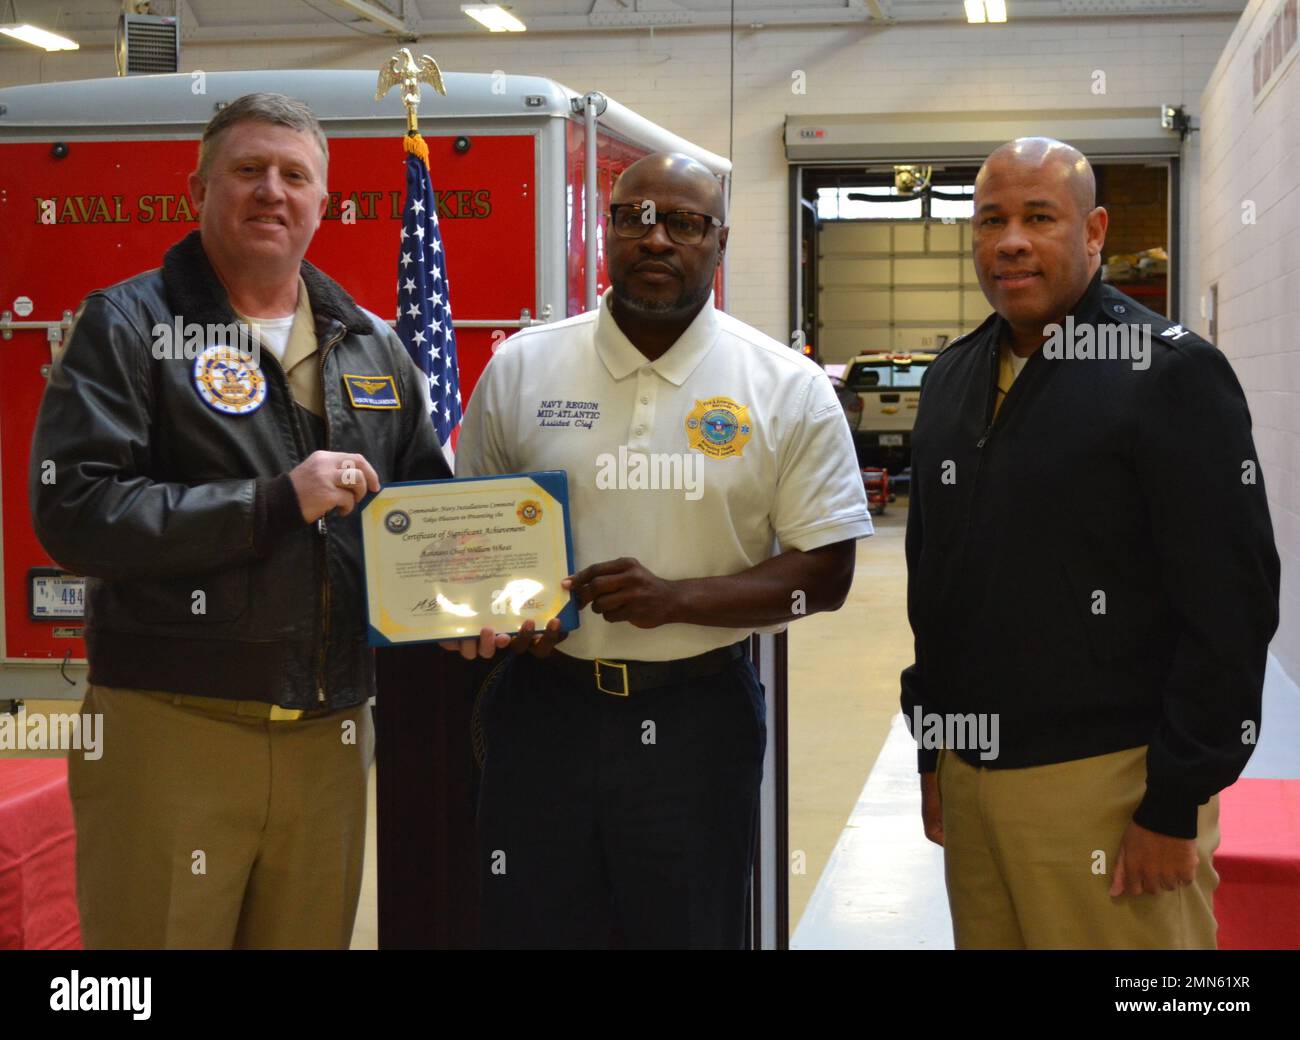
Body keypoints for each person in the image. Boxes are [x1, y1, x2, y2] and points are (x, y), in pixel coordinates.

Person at [29, 92, 449, 949]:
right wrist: (271, 502)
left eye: (295, 176)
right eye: (248, 170)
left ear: (323, 204)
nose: (272, 191)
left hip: (329, 736)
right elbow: (75, 510)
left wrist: (482, 601)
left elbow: (421, 517)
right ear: (198, 191)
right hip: (170, 725)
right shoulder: (129, 325)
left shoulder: (370, 343)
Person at [449, 152, 873, 949]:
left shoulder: (784, 385)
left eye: (683, 222)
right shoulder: (521, 367)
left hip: (696, 722)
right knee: (526, 928)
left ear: (719, 243)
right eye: (635, 217)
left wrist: (676, 600)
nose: (656, 239)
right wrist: (504, 612)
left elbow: (826, 575)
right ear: (606, 231)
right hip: (544, 714)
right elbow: (477, 535)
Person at [901, 137, 1280, 949]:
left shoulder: (1167, 373)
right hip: (972, 784)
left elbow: (1232, 607)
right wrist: (935, 751)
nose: (1010, 240)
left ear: (1095, 229)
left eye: (1040, 217)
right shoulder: (952, 379)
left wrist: (1175, 801)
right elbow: (933, 588)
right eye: (991, 219)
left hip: (1107, 785)